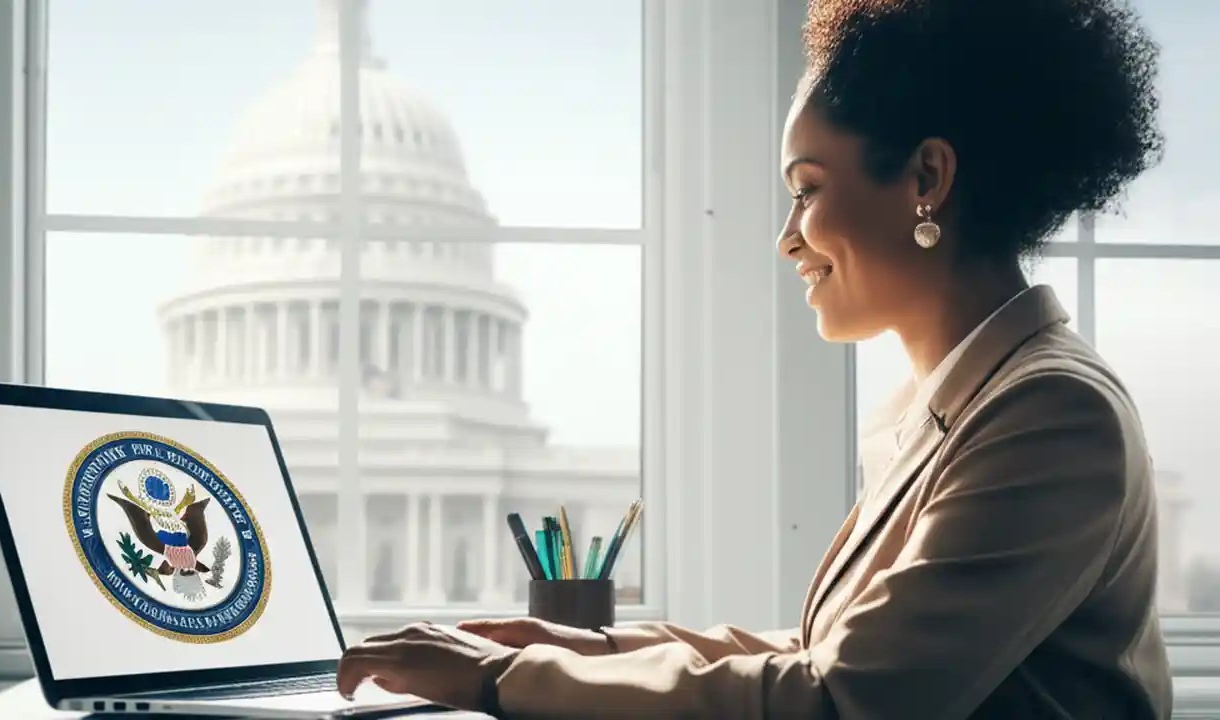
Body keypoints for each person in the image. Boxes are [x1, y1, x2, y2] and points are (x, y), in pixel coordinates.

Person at [336, 0, 1172, 716]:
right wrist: (590, 645)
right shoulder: (953, 409)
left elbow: (842, 699)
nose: (785, 240)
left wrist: (506, 679)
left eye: (806, 189)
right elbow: (825, 650)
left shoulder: (1052, 415)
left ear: (927, 176)